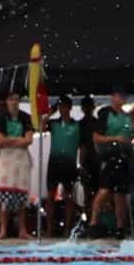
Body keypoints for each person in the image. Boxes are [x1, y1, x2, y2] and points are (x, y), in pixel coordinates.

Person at [0, 89, 35, 241]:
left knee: (21, 196)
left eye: (17, 99)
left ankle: (22, 230)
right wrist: (19, 140)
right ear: (7, 101)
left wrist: (10, 140)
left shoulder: (25, 118)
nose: (14, 102)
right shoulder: (0, 118)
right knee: (4, 196)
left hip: (21, 160)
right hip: (6, 160)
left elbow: (29, 140)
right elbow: (0, 141)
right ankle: (3, 230)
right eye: (11, 99)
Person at [90, 90, 134, 237]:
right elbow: (96, 138)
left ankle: (120, 227)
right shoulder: (105, 114)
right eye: (119, 96)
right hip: (109, 158)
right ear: (113, 97)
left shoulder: (126, 117)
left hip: (123, 159)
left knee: (120, 195)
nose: (122, 98)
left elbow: (131, 133)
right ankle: (93, 223)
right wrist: (115, 139)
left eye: (124, 96)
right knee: (104, 191)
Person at [43, 95, 84, 235]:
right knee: (50, 195)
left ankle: (67, 227)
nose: (62, 109)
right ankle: (50, 227)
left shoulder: (77, 125)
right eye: (60, 106)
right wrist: (50, 112)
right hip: (54, 162)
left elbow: (82, 146)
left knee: (68, 196)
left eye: (65, 106)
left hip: (69, 163)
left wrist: (81, 164)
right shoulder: (53, 123)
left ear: (70, 108)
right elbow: (40, 126)